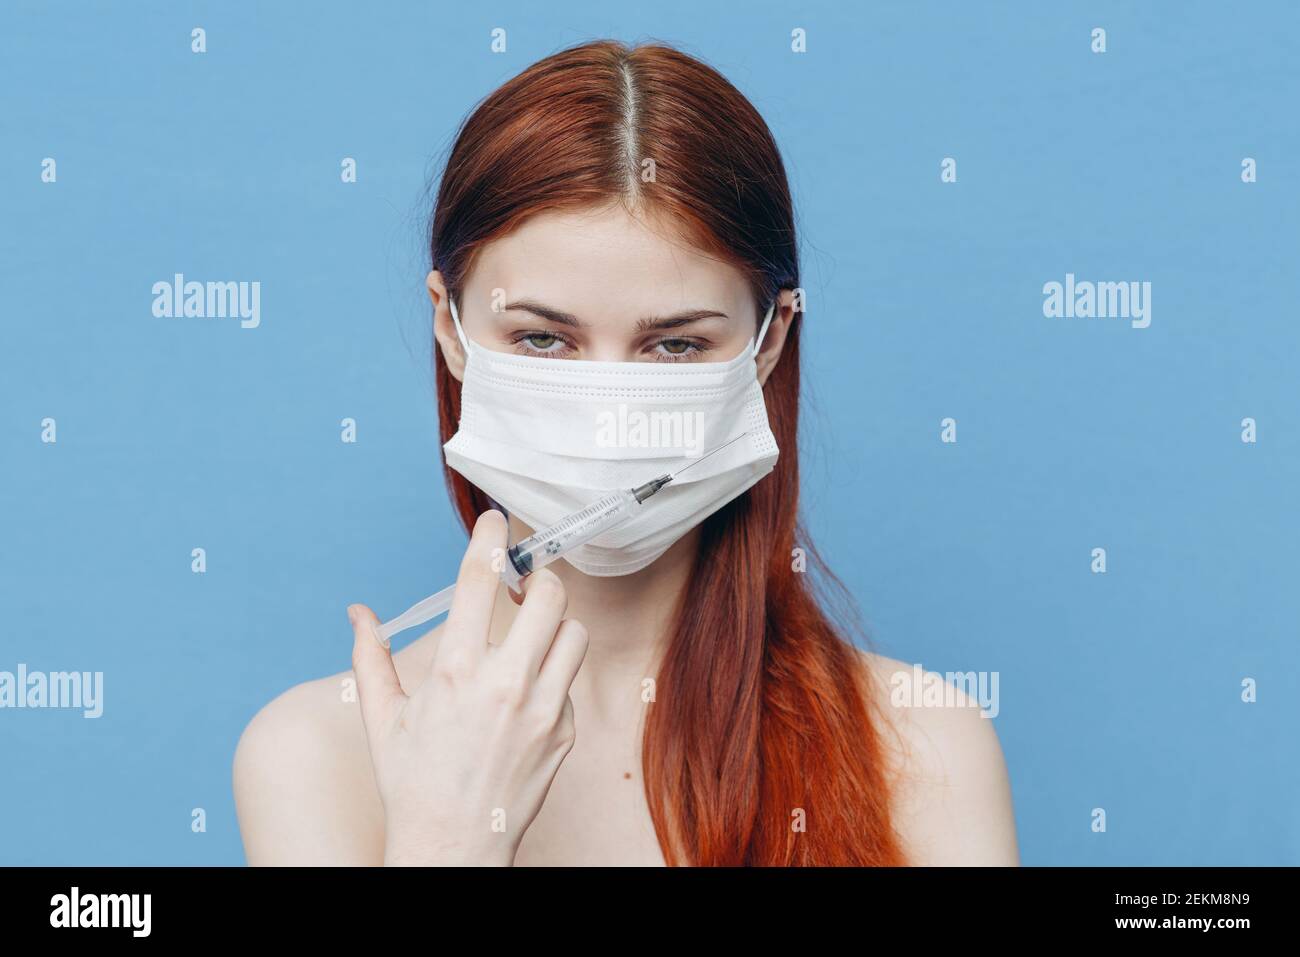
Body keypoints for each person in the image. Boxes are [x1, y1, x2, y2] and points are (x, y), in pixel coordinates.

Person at [233, 39, 1019, 866]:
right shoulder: (318, 752)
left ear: (768, 342)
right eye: (542, 337)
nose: (610, 417)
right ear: (450, 328)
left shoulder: (923, 749)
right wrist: (445, 838)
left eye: (674, 346)